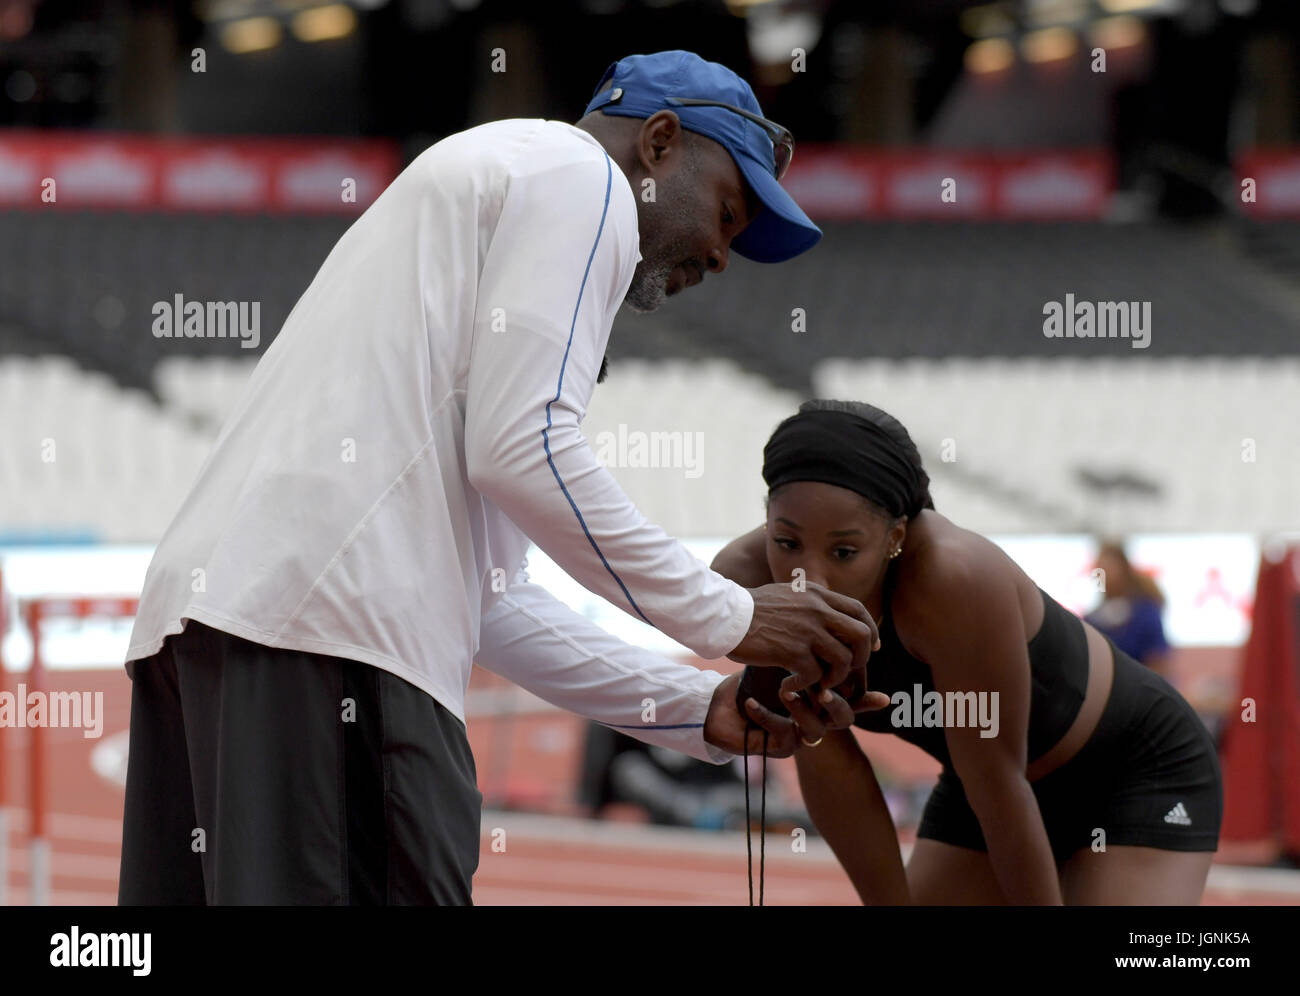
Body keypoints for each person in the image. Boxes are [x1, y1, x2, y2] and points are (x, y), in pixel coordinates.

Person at [116, 51, 884, 906]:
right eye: (728, 213)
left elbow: (493, 596)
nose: (719, 255)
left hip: (217, 632)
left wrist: (694, 705)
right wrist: (732, 616)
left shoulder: (491, 193)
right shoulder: (582, 180)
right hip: (332, 655)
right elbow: (523, 447)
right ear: (661, 143)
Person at [712, 399, 1223, 905]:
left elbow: (1000, 786)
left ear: (894, 538)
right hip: (981, 788)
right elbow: (827, 760)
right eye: (786, 543)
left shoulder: (952, 579)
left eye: (844, 552)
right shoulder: (749, 585)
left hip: (1129, 770)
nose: (811, 582)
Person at [1086, 540, 1171, 675]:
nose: (1102, 576)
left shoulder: (1145, 613)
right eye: (1098, 571)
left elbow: (1158, 661)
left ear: (1123, 570)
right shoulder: (1092, 619)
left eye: (1108, 569)